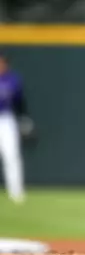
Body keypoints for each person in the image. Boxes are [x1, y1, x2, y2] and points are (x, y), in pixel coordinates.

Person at [0, 54, 35, 204]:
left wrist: (24, 118)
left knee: (12, 156)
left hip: (6, 119)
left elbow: (20, 102)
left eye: (2, 62)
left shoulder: (13, 80)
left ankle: (16, 192)